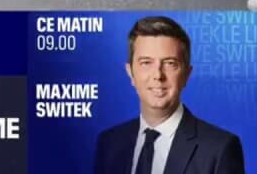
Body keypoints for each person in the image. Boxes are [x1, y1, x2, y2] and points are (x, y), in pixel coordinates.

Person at [93, 16, 244, 174]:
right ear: (130, 73)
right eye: (146, 62)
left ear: (187, 74)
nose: (158, 75)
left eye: (170, 63)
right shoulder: (109, 143)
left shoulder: (220, 149)